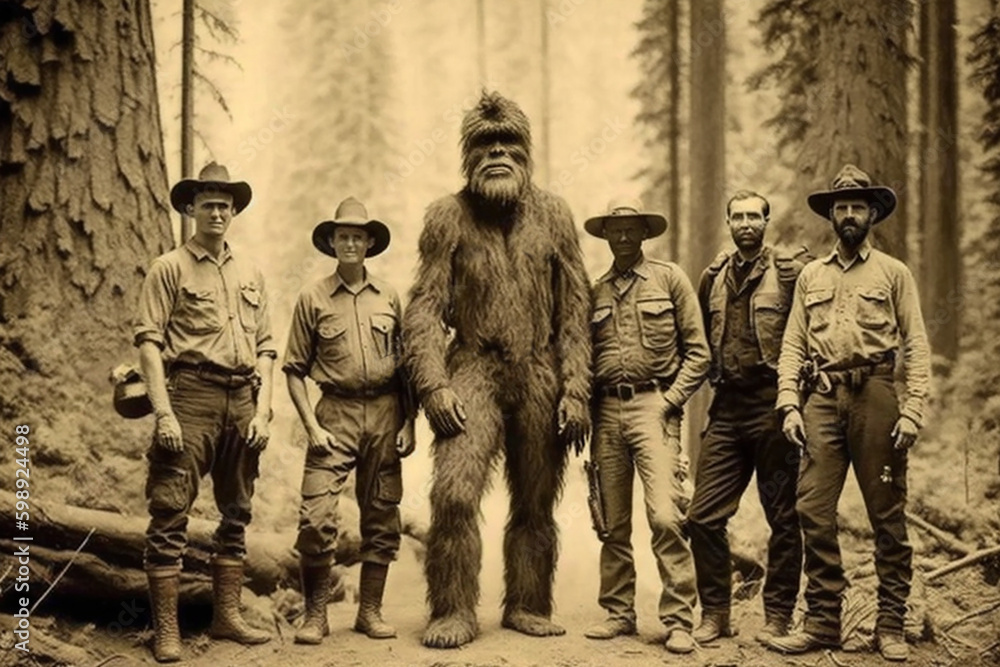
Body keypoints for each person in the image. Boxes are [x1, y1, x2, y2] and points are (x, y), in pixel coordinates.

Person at [769, 165, 931, 662]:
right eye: (841, 208)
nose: (848, 215)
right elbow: (794, 342)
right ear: (831, 216)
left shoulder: (893, 272)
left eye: (857, 207)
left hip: (877, 395)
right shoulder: (812, 276)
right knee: (812, 509)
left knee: (886, 512)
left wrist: (913, 409)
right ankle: (822, 622)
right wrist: (789, 403)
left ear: (872, 214)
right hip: (820, 396)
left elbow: (917, 344)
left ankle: (890, 623)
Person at [134, 162, 275, 663]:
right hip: (190, 396)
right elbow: (149, 344)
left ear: (234, 211)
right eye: (208, 203)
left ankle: (227, 617)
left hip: (242, 401)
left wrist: (265, 410)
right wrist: (164, 413)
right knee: (170, 508)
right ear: (191, 209)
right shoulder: (168, 267)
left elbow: (267, 349)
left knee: (236, 510)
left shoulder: (251, 271)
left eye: (225, 204)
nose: (217, 211)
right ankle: (166, 630)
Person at [282, 197, 415, 645]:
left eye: (358, 236)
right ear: (332, 242)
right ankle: (315, 615)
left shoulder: (389, 297)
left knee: (381, 514)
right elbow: (294, 371)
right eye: (343, 236)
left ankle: (370, 612)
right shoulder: (313, 297)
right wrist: (312, 426)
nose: (350, 243)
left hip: (384, 412)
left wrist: (408, 422)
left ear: (370, 242)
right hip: (333, 415)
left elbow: (406, 370)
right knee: (316, 516)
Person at [583, 198, 710, 655]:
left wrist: (670, 403)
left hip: (655, 405)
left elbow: (699, 354)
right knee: (612, 522)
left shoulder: (669, 279)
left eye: (630, 229)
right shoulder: (594, 291)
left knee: (665, 514)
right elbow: (582, 360)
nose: (622, 237)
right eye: (615, 230)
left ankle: (678, 620)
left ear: (643, 233)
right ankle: (619, 613)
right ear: (606, 236)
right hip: (606, 412)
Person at [688, 190, 805, 646]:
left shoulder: (790, 273)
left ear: (767, 221)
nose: (746, 224)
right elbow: (699, 341)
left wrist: (797, 400)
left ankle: (778, 615)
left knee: (785, 518)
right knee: (702, 516)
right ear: (728, 222)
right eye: (737, 216)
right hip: (727, 408)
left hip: (774, 406)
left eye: (754, 216)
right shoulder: (713, 277)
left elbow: (805, 336)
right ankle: (716, 612)